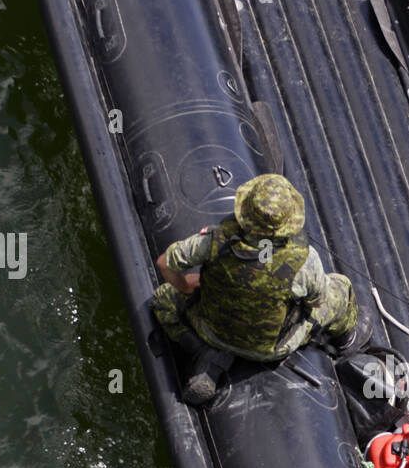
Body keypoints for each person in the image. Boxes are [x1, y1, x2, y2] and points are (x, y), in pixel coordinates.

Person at [151, 173, 364, 404]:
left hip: (211, 329)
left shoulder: (214, 241)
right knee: (341, 288)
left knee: (163, 299)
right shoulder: (305, 262)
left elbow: (165, 263)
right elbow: (317, 301)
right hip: (271, 347)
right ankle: (345, 341)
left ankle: (200, 350)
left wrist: (185, 285)